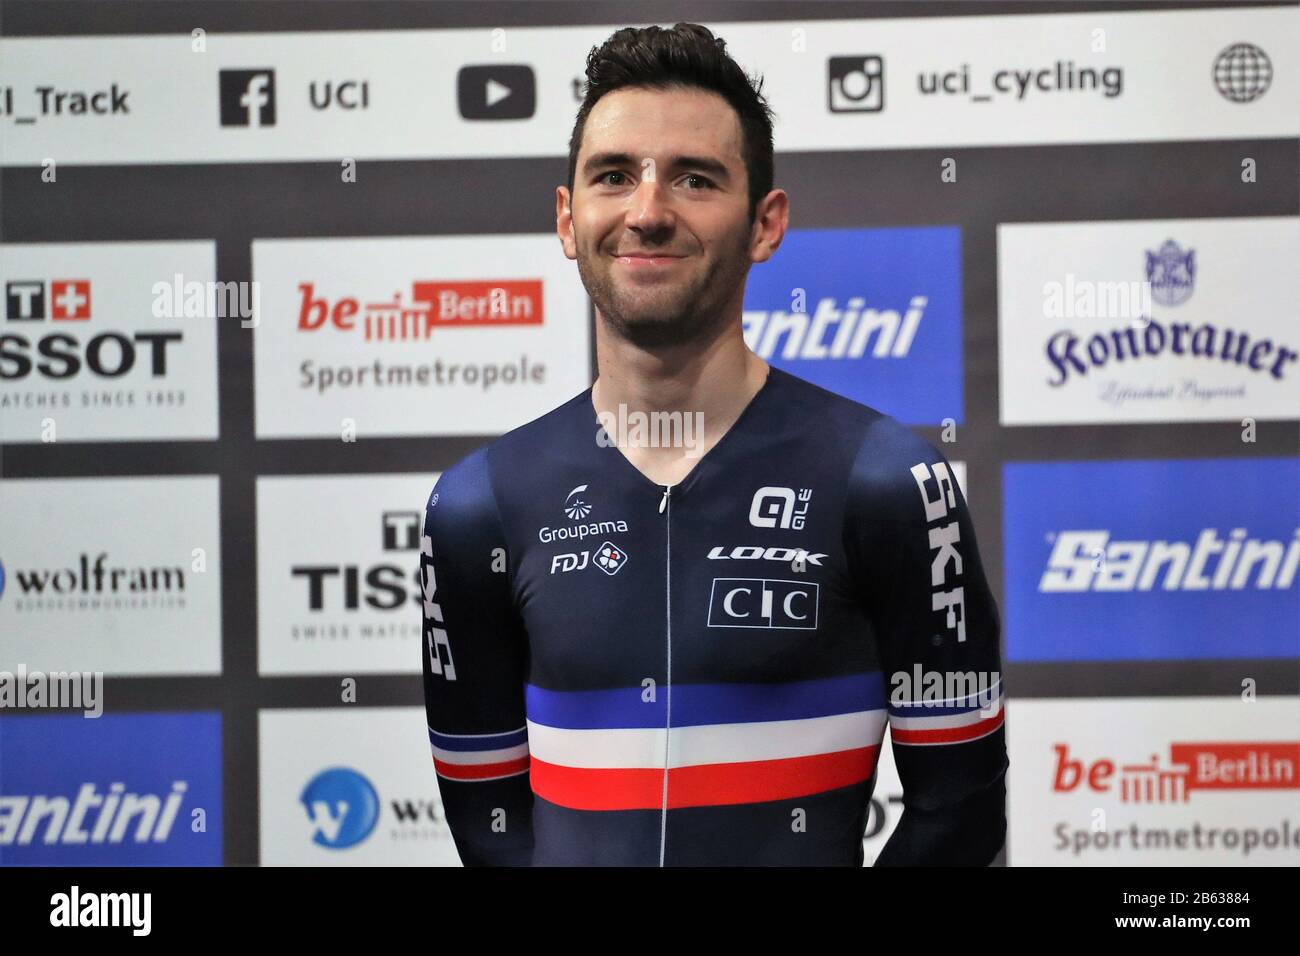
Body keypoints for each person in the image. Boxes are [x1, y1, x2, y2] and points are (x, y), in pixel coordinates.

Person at [420, 22, 1007, 866]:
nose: (648, 211)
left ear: (766, 224)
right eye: (613, 176)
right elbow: (490, 828)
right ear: (566, 216)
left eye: (695, 179)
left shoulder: (890, 484)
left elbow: (960, 812)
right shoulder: (479, 506)